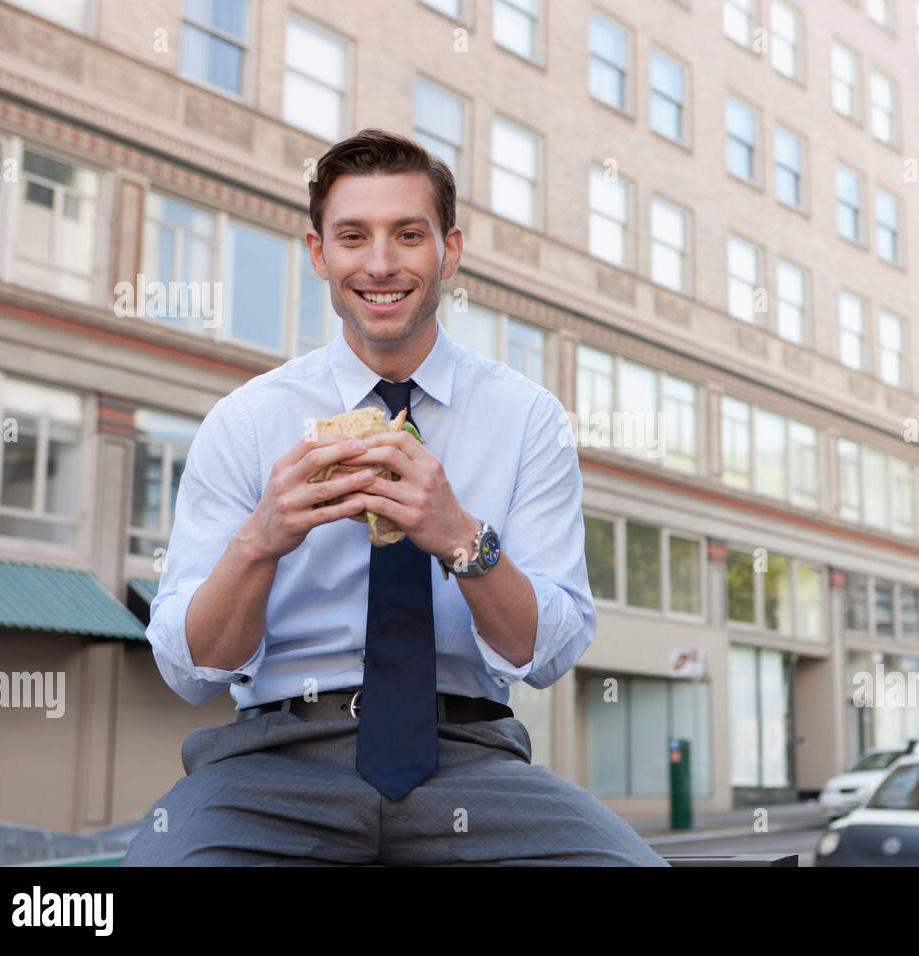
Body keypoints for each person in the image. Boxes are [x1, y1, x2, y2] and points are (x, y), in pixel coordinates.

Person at [122, 129, 668, 866]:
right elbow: (189, 674)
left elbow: (546, 653)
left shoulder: (529, 418)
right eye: (353, 237)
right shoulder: (247, 422)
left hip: (472, 761)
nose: (380, 264)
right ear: (319, 253)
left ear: (450, 249)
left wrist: (462, 539)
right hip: (269, 768)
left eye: (408, 235)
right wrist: (261, 540)